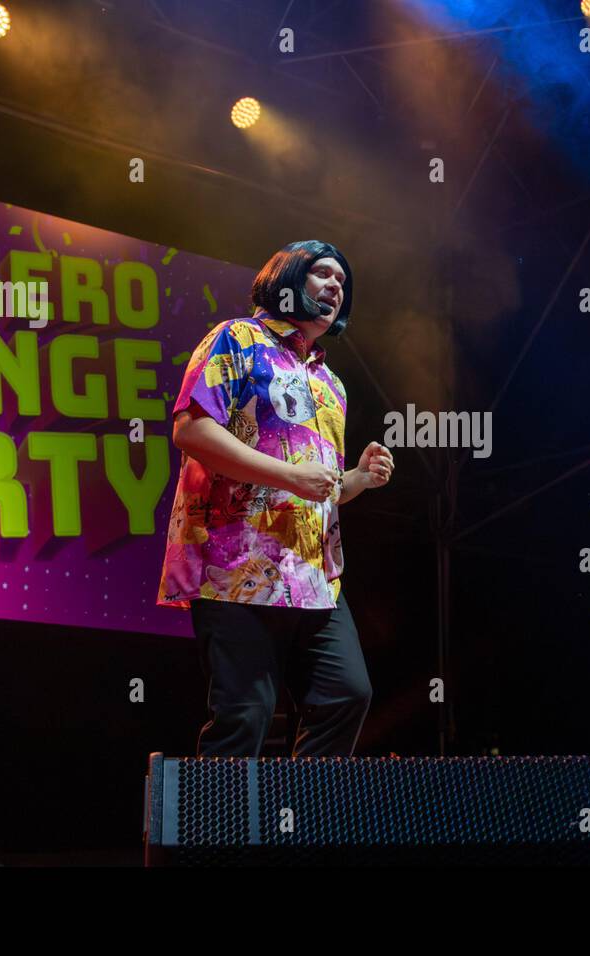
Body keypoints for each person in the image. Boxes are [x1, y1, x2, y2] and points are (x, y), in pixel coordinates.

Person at [157, 240, 394, 758]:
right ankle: (215, 838)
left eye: (343, 282)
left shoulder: (331, 384)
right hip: (235, 565)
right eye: (323, 274)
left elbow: (320, 490)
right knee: (245, 714)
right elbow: (192, 432)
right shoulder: (236, 338)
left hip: (313, 576)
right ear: (286, 277)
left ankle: (298, 831)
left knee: (345, 695)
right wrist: (291, 476)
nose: (336, 286)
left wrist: (356, 479)